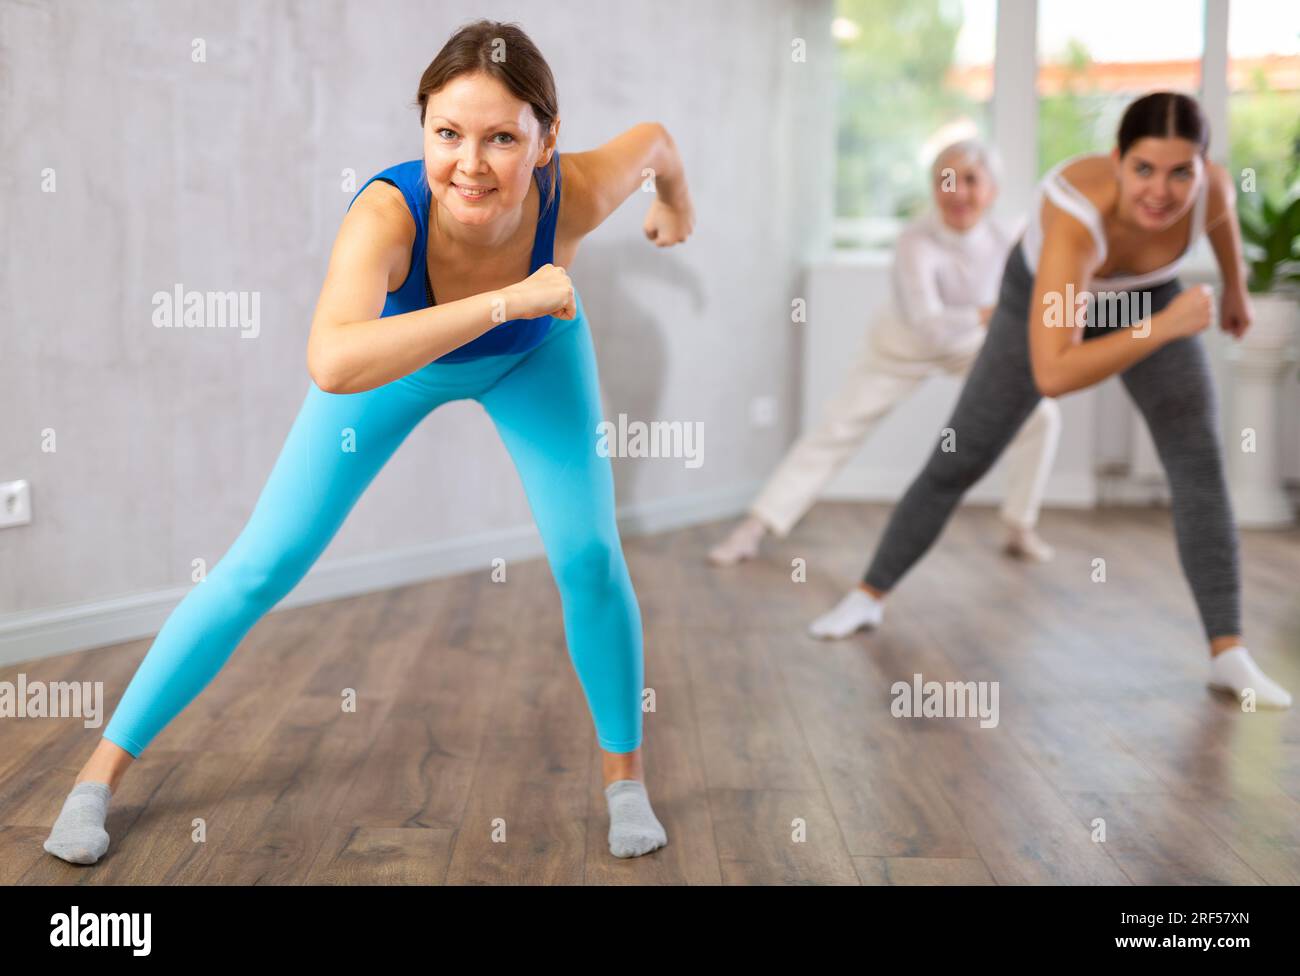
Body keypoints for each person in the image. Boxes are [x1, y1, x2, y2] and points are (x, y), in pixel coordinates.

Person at [43, 19, 696, 866]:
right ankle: (95, 779)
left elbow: (658, 145)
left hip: (534, 361)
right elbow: (333, 359)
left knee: (588, 557)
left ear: (546, 139)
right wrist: (509, 301)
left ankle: (624, 782)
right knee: (259, 565)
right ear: (421, 128)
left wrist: (674, 203)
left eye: (502, 136)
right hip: (403, 365)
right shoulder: (389, 215)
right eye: (447, 133)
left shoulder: (576, 186)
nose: (470, 162)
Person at [808, 92, 1291, 710]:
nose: (1162, 193)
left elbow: (1219, 227)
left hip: (1144, 295)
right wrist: (1162, 328)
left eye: (1181, 173)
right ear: (1118, 159)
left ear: (1202, 167)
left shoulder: (1213, 190)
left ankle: (1229, 654)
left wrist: (1236, 294)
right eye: (1144, 169)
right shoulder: (1073, 220)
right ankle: (866, 596)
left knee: (1198, 462)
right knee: (964, 454)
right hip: (1043, 305)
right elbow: (1054, 374)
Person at [708, 139, 1061, 567]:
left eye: (971, 180)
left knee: (1040, 416)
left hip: (970, 346)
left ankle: (1019, 526)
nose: (958, 192)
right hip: (902, 347)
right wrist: (990, 312)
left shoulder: (1008, 236)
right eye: (946, 180)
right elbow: (929, 327)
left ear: (993, 191)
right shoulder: (916, 241)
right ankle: (754, 528)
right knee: (838, 427)